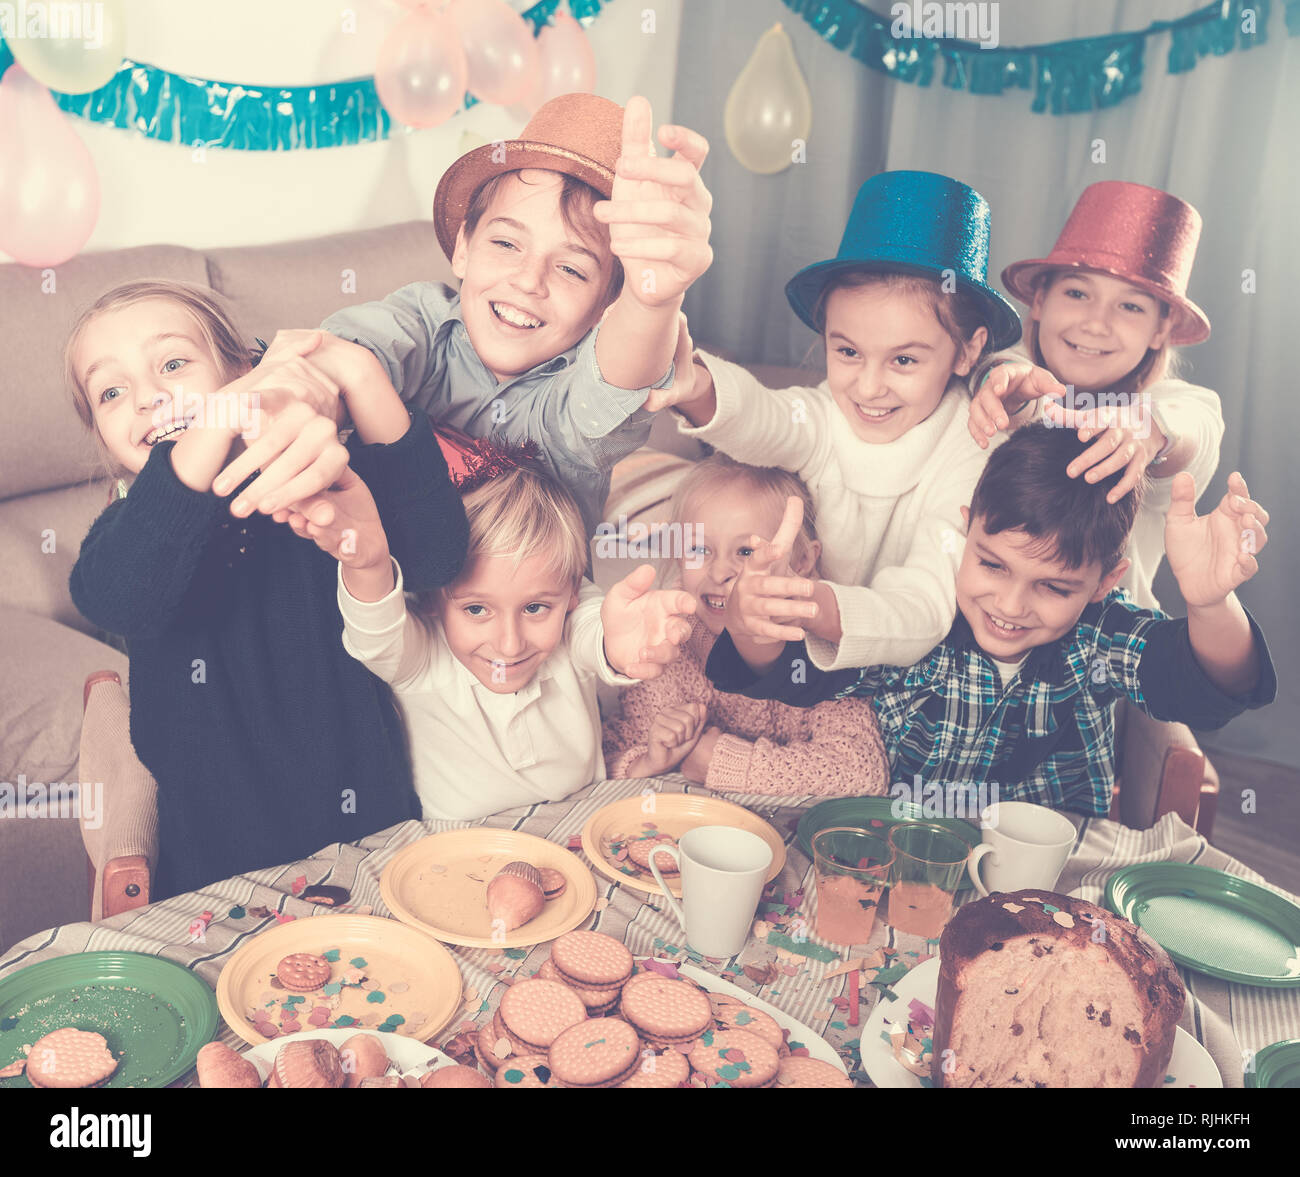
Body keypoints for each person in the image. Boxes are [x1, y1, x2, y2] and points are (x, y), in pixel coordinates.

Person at [66, 280, 469, 897]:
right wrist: (206, 438)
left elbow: (436, 557)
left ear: (243, 371)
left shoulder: (317, 479)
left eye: (173, 363)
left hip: (365, 809)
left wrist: (363, 379)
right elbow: (118, 596)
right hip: (214, 851)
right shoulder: (129, 529)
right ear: (100, 435)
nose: (148, 397)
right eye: (111, 392)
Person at [705, 424, 1276, 817]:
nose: (1009, 604)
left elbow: (1206, 688)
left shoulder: (1100, 636)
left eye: (1053, 587)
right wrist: (754, 624)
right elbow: (799, 678)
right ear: (964, 533)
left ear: (1105, 582)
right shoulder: (918, 617)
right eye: (992, 565)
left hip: (1049, 880)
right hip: (897, 858)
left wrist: (1207, 604)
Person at [249, 92, 713, 542]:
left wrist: (650, 299)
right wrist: (305, 392)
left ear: (604, 308)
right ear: (465, 249)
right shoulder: (426, 322)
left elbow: (617, 382)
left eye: (572, 269)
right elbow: (358, 350)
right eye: (507, 243)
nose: (530, 280)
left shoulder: (570, 394)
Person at [659, 171, 1032, 672]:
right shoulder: (820, 418)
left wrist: (809, 603)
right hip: (799, 664)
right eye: (849, 351)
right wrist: (697, 387)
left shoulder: (972, 448)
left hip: (913, 682)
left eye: (904, 361)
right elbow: (761, 417)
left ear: (968, 351)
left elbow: (925, 603)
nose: (869, 387)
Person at [279, 438, 698, 821]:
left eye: (535, 608)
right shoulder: (423, 657)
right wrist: (367, 564)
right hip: (461, 863)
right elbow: (376, 636)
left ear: (571, 594)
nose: (509, 643)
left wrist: (616, 645)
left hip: (581, 827)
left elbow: (595, 633)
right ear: (430, 601)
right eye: (477, 609)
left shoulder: (572, 628)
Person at [967, 181, 1224, 611]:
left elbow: (1194, 427)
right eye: (1077, 293)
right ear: (1040, 300)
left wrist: (1143, 431)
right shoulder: (1006, 369)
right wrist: (1003, 390)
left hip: (1114, 653)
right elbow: (995, 374)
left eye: (1130, 307)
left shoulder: (1173, 403)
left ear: (1161, 330)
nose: (1096, 323)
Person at [601, 454, 887, 798]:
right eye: (699, 549)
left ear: (803, 561)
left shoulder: (822, 648)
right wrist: (648, 761)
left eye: (746, 552)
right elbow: (609, 751)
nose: (720, 571)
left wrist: (719, 762)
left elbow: (861, 772)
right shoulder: (671, 641)